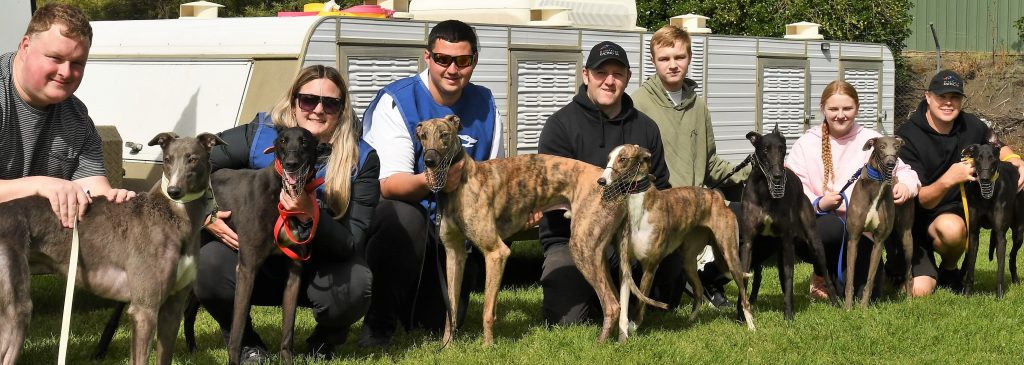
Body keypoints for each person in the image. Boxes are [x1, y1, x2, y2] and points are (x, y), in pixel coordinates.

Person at [193, 64, 379, 363]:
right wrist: (207, 213)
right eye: (308, 100)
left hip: (316, 268)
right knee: (208, 264)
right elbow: (192, 161)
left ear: (342, 109)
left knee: (358, 283)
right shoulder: (260, 134)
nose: (318, 109)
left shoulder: (362, 157)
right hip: (255, 260)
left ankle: (323, 342)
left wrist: (312, 213)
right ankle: (245, 343)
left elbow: (351, 242)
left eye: (330, 103)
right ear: (294, 101)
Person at [360, 19, 503, 346]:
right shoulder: (398, 100)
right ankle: (378, 323)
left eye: (462, 61)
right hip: (409, 223)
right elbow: (388, 184)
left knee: (435, 322)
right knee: (397, 215)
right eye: (443, 59)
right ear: (428, 57)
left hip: (455, 228)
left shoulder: (486, 104)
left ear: (474, 61)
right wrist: (437, 179)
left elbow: (491, 172)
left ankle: (416, 307)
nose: (452, 69)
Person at [538, 40, 674, 325]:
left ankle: (627, 295)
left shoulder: (646, 128)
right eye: (601, 73)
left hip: (633, 234)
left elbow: (660, 188)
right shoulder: (560, 126)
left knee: (667, 292)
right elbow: (550, 198)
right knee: (569, 321)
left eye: (618, 73)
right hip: (572, 238)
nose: (609, 81)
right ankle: (596, 293)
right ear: (586, 75)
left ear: (627, 77)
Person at [630, 24, 748, 309]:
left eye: (679, 57)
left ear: (689, 57)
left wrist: (750, 173)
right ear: (653, 61)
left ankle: (710, 279)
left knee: (750, 221)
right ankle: (681, 280)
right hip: (658, 214)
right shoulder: (638, 103)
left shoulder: (699, 106)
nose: (673, 65)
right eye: (665, 58)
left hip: (697, 207)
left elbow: (710, 163)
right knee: (665, 301)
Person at [0, 3, 135, 229]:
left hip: (29, 240)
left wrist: (114, 200)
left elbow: (93, 187)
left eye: (77, 63)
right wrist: (39, 185)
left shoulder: (78, 118)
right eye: (55, 58)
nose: (65, 72)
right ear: (25, 46)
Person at [786, 80, 920, 299]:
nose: (840, 115)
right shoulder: (806, 143)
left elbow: (904, 170)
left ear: (856, 108)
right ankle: (821, 272)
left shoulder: (871, 139)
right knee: (831, 229)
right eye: (833, 109)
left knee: (868, 295)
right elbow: (793, 186)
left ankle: (844, 276)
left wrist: (906, 186)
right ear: (823, 109)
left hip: (861, 230)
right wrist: (818, 203)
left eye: (847, 108)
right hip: (820, 224)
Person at [896, 69, 1024, 297]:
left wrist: (1016, 160)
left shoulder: (972, 125)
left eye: (954, 97)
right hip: (916, 218)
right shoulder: (908, 136)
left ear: (961, 100)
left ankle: (949, 270)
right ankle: (899, 264)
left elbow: (998, 146)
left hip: (953, 217)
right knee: (918, 292)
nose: (948, 103)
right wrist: (949, 179)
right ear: (927, 97)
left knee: (953, 230)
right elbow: (923, 200)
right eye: (941, 97)